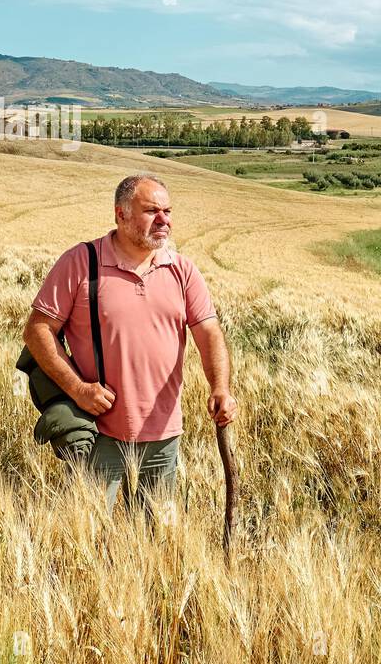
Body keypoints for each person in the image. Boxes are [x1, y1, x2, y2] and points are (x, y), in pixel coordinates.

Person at [22, 173, 238, 508]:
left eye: (168, 211)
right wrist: (78, 389)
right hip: (98, 431)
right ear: (120, 214)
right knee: (82, 532)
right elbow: (37, 330)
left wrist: (220, 387)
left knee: (157, 535)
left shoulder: (182, 270)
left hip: (164, 434)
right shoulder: (82, 263)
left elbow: (208, 331)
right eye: (152, 211)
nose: (164, 220)